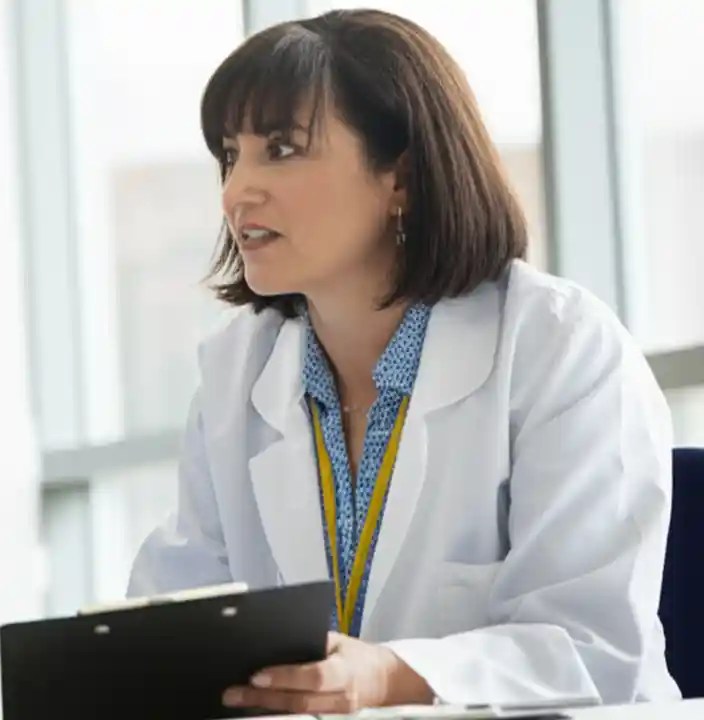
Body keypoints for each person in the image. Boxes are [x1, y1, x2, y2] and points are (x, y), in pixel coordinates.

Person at [127, 9, 679, 715]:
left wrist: (388, 676)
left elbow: (594, 649)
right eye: (230, 156)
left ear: (403, 179)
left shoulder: (559, 347)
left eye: (283, 149)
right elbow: (175, 618)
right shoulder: (237, 373)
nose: (237, 192)